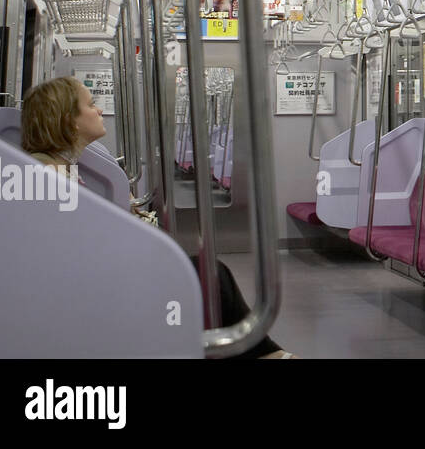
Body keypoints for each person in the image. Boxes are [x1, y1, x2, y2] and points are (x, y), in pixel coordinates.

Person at [21, 77, 294, 359]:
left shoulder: (64, 166)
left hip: (97, 278)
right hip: (91, 290)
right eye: (91, 105)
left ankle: (260, 352)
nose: (99, 111)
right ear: (70, 121)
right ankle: (263, 353)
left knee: (210, 271)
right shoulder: (50, 174)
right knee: (209, 273)